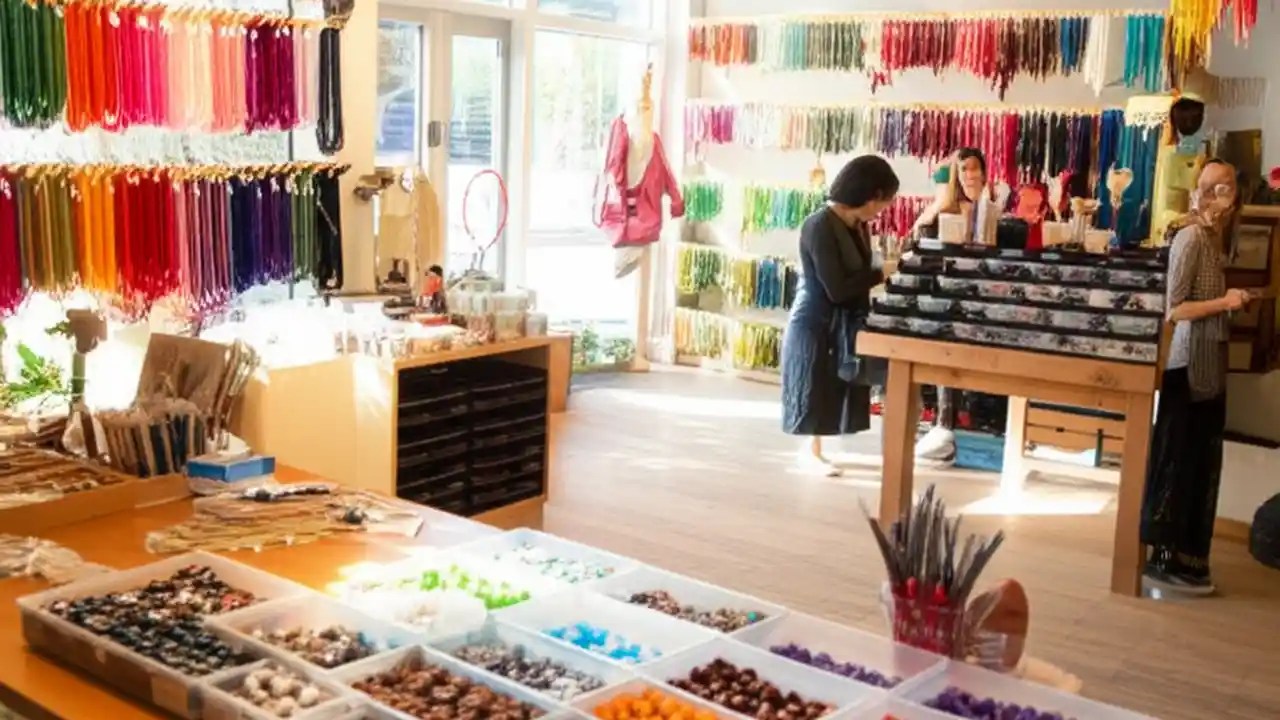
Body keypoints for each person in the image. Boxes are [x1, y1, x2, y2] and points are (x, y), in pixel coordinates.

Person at [1141, 159, 1249, 594]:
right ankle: (1166, 555)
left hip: (1208, 366)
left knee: (1201, 461)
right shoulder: (1189, 237)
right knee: (1180, 459)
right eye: (1209, 187)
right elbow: (1176, 308)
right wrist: (1224, 303)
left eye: (1224, 188)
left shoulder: (1215, 239)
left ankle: (1189, 556)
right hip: (1186, 365)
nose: (1216, 196)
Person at [781, 155, 899, 475]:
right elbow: (836, 287)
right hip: (814, 320)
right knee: (813, 387)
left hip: (840, 320)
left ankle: (816, 450)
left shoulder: (858, 226)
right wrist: (881, 273)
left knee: (831, 387)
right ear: (869, 194)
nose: (881, 209)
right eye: (882, 201)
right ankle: (810, 452)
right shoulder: (818, 225)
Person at [907, 148, 995, 467]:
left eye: (975, 168)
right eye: (964, 169)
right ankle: (943, 426)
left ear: (984, 172)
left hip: (979, 295)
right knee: (943, 358)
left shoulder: (992, 207)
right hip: (944, 297)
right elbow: (917, 243)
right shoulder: (944, 208)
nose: (970, 174)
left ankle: (958, 427)